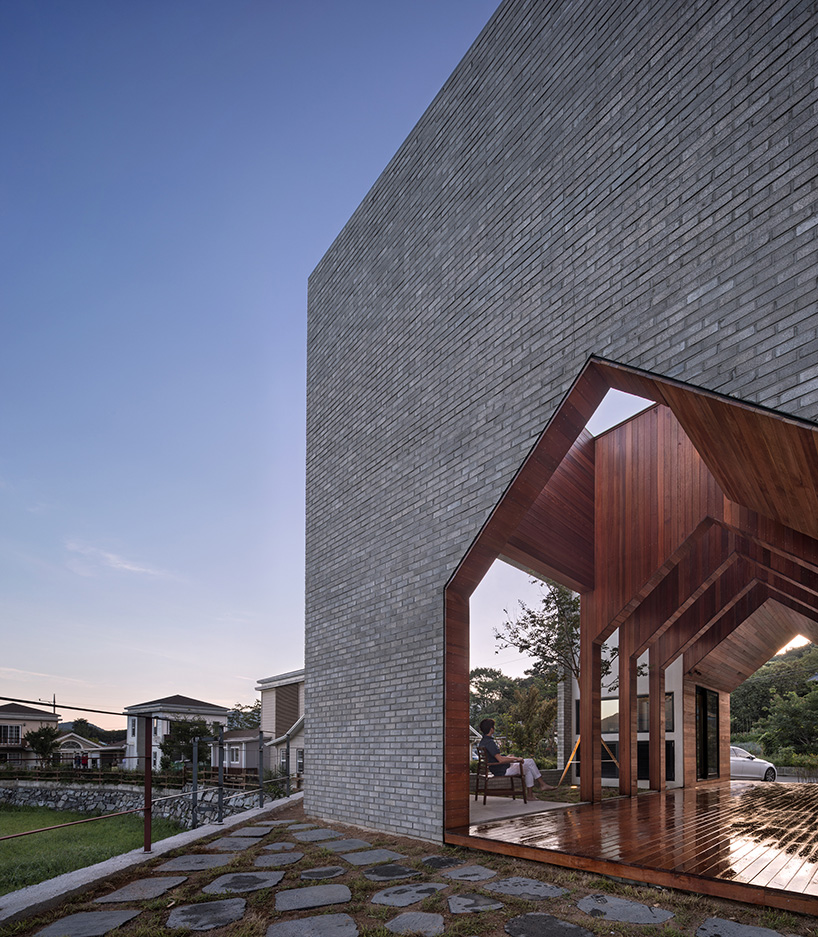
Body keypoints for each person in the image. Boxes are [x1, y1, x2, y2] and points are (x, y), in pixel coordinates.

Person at [478, 717, 552, 797]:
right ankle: (541, 785)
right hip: (502, 770)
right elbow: (500, 760)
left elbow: (496, 758)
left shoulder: (483, 742)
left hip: (497, 768)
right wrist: (515, 759)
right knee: (530, 762)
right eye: (493, 726)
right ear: (491, 729)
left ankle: (532, 794)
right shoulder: (490, 743)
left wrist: (508, 757)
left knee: (528, 768)